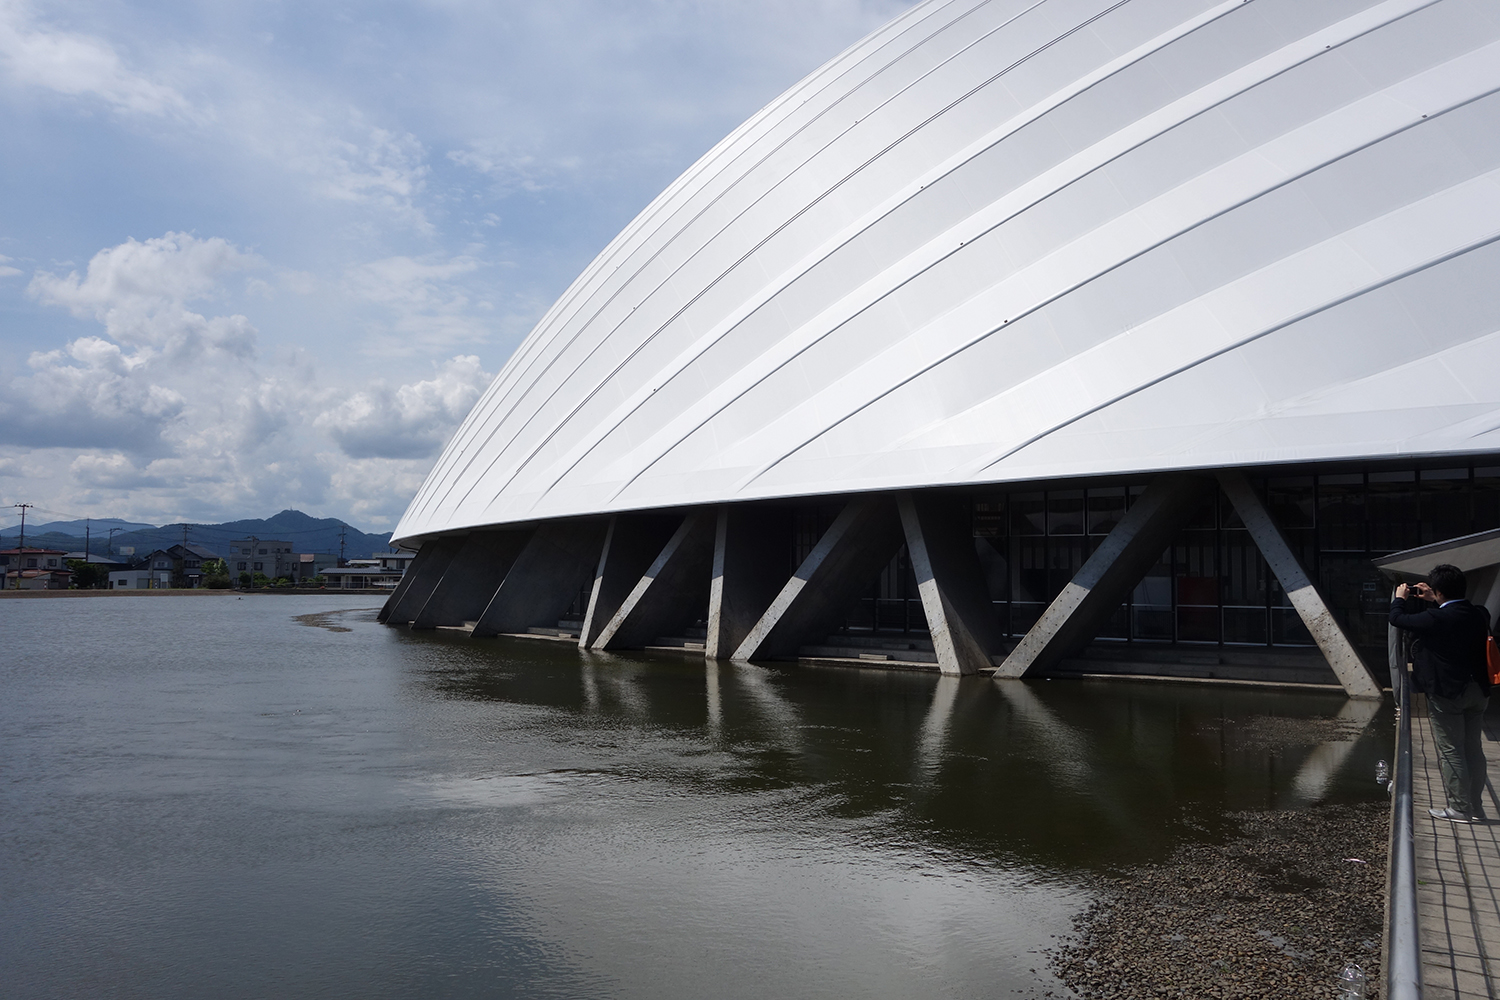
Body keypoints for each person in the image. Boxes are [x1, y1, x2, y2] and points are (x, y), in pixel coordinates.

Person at [1390, 564, 1493, 822]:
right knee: (1473, 749)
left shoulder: (1436, 618)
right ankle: (1476, 808)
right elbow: (1452, 616)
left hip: (1447, 693)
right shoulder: (1481, 613)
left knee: (1451, 750)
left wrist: (1399, 599)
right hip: (1478, 690)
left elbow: (1398, 620)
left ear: (1438, 591)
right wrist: (1434, 598)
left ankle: (1459, 808)